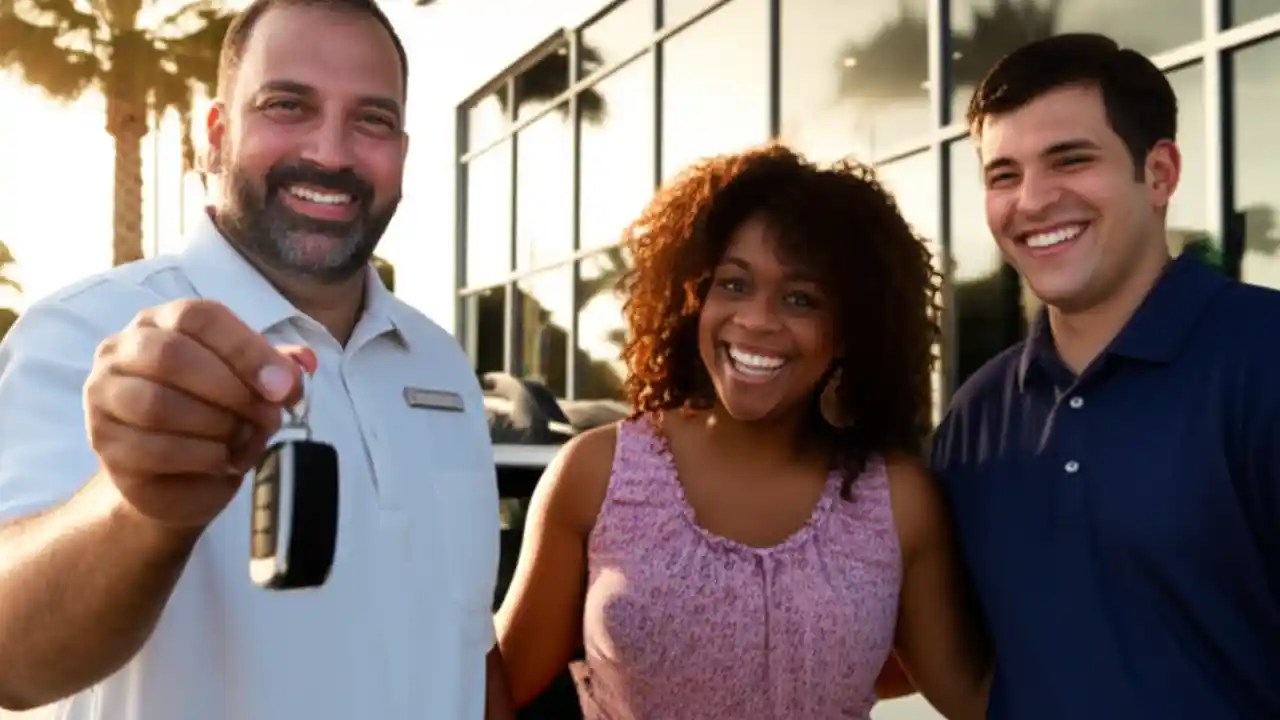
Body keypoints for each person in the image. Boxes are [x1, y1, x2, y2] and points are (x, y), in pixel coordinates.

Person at [0, 1, 512, 718]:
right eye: (287, 105)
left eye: (371, 119)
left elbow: (462, 637)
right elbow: (11, 662)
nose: (332, 154)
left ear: (401, 146)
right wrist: (137, 507)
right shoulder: (80, 331)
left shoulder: (442, 365)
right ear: (215, 134)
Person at [495, 144, 991, 719]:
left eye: (800, 299)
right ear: (691, 297)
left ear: (852, 329)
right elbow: (495, 692)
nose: (756, 320)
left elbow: (978, 700)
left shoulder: (897, 500)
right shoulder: (596, 471)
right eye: (733, 284)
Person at [932, 33, 1280, 719]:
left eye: (1070, 160)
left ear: (1159, 174)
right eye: (1003, 174)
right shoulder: (975, 419)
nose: (1031, 200)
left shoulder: (1264, 359)